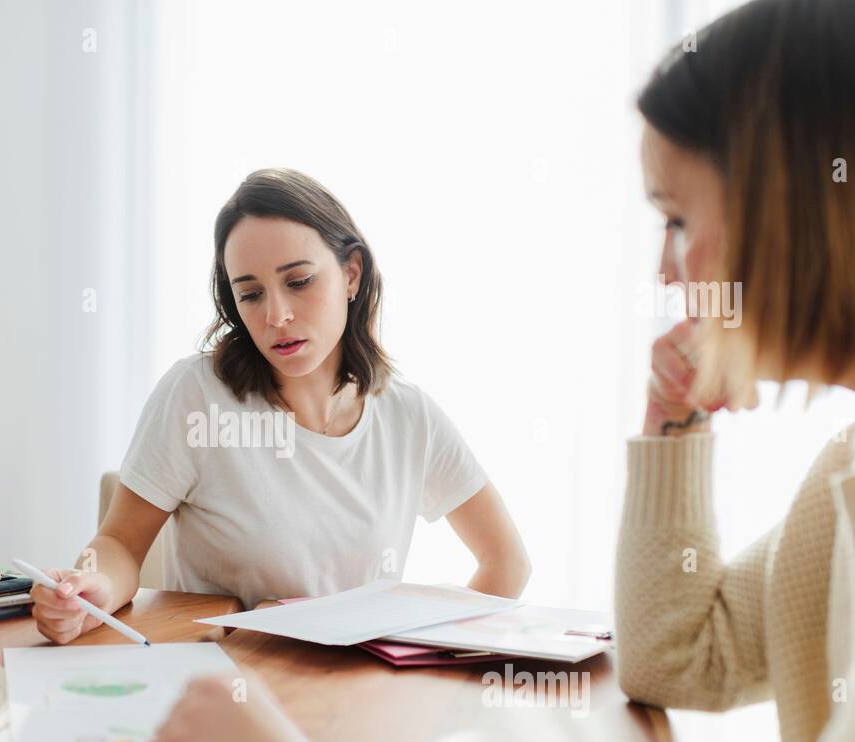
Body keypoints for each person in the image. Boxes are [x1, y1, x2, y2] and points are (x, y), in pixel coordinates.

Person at [145, 0, 855, 742]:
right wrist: (669, 425)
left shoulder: (405, 409)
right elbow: (678, 655)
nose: (663, 267)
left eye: (678, 219)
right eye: (248, 292)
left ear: (809, 203)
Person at [30, 168, 530, 643]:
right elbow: (119, 544)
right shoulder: (196, 396)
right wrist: (88, 587)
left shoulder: (408, 416)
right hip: (229, 688)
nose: (276, 316)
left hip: (350, 699)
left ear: (351, 274)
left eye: (298, 282)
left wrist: (421, 650)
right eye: (249, 294)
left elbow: (507, 562)